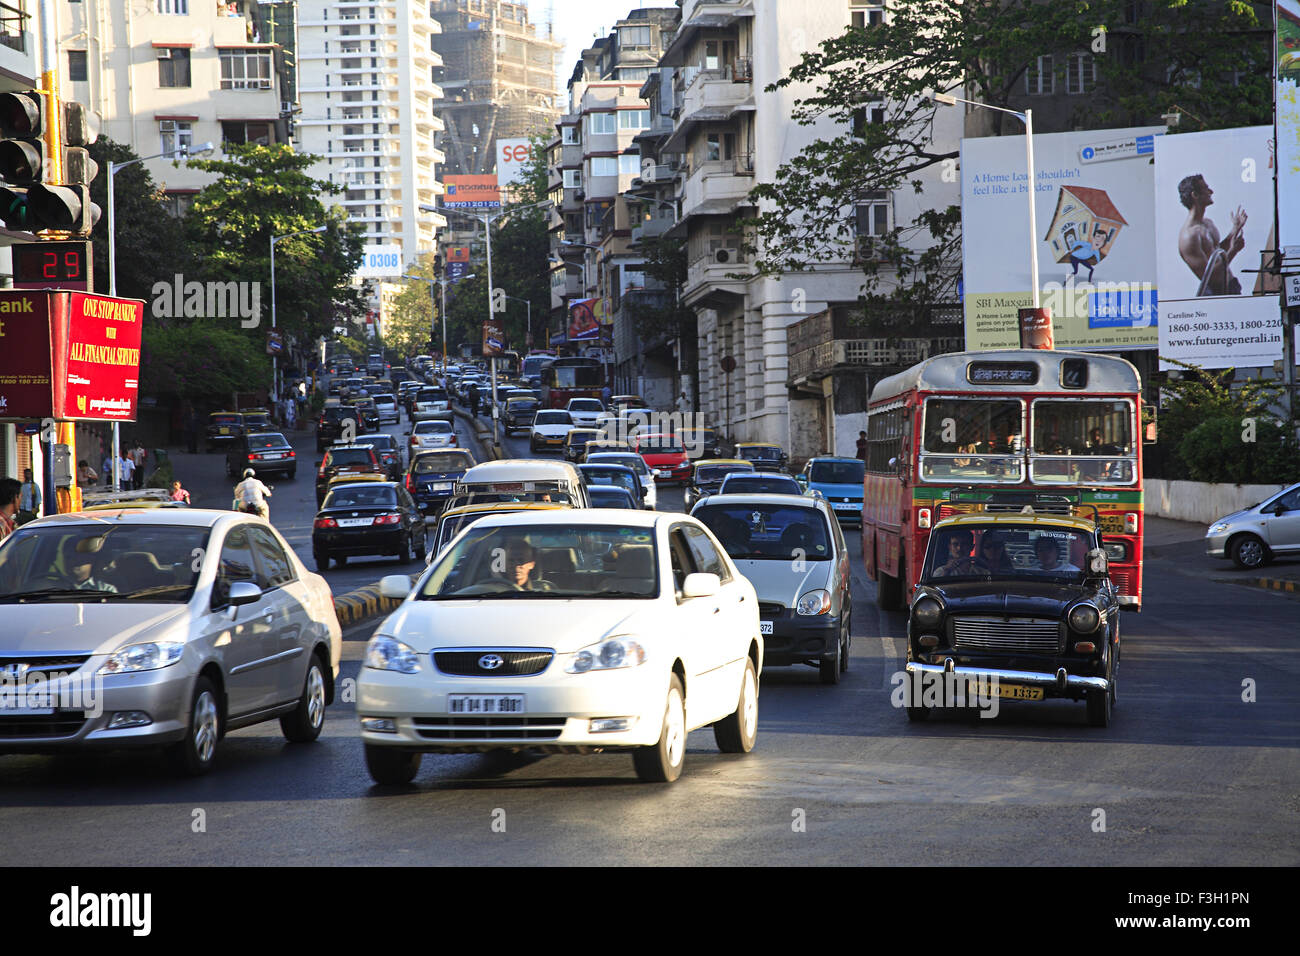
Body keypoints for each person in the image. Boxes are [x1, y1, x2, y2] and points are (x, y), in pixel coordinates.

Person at [1177, 173, 1246, 297]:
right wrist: (1234, 250)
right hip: (1215, 295)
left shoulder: (1207, 223)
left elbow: (1216, 253)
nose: (1211, 191)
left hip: (1230, 286)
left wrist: (1234, 230)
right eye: (1206, 188)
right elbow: (1210, 277)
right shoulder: (1189, 236)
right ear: (1195, 195)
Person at [0, 477, 20, 541]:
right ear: (14, 497)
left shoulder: (11, 524)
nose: (21, 501)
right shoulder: (2, 525)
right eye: (20, 497)